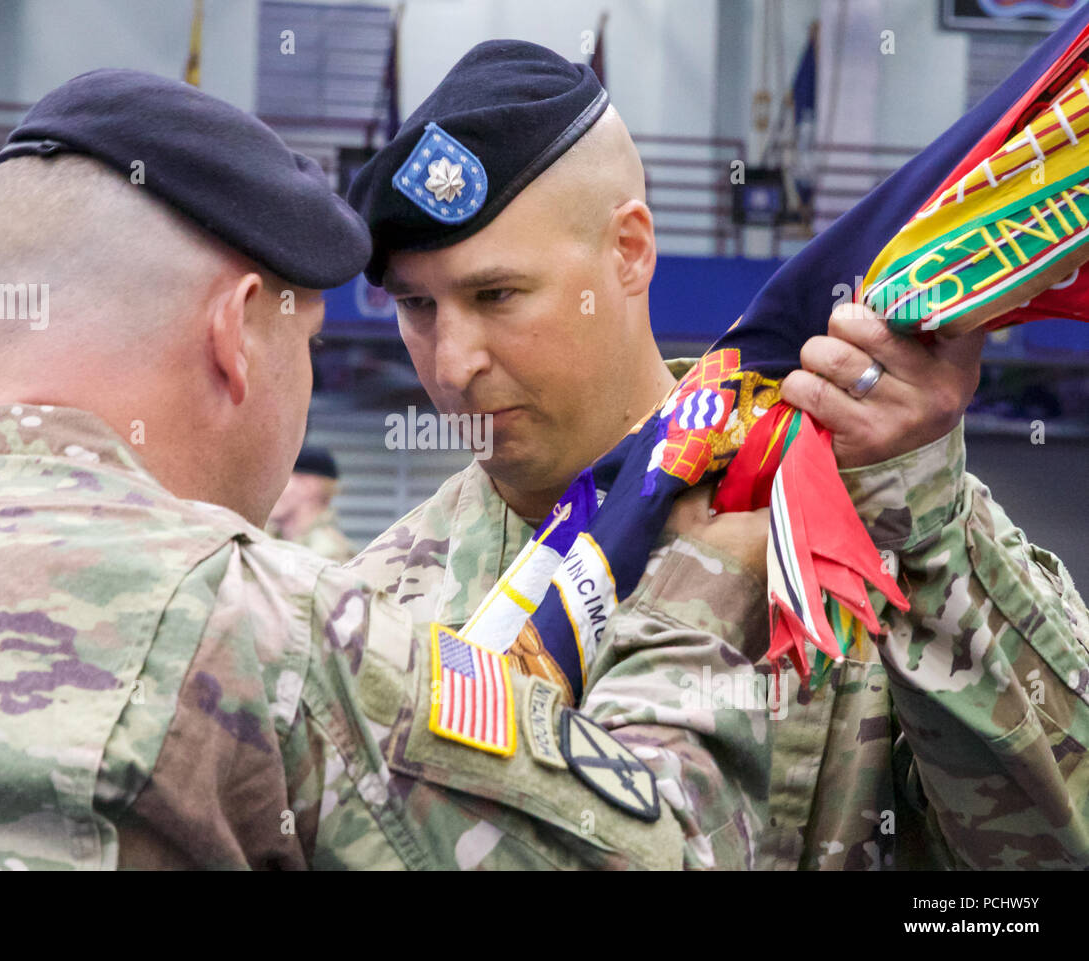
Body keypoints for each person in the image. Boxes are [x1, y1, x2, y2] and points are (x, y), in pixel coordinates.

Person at [0, 68, 769, 871]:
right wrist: (696, 592)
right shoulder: (277, 629)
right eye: (304, 337)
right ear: (235, 332)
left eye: (495, 295)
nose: (454, 362)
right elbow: (657, 850)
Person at [345, 40, 1089, 869]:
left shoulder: (856, 520)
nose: (451, 364)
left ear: (628, 251)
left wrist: (924, 523)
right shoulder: (375, 606)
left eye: (497, 295)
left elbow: (1056, 841)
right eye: (416, 306)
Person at [266, 445, 356, 563]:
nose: (267, 490)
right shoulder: (270, 540)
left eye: (279, 479)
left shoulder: (329, 553)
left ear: (309, 486)